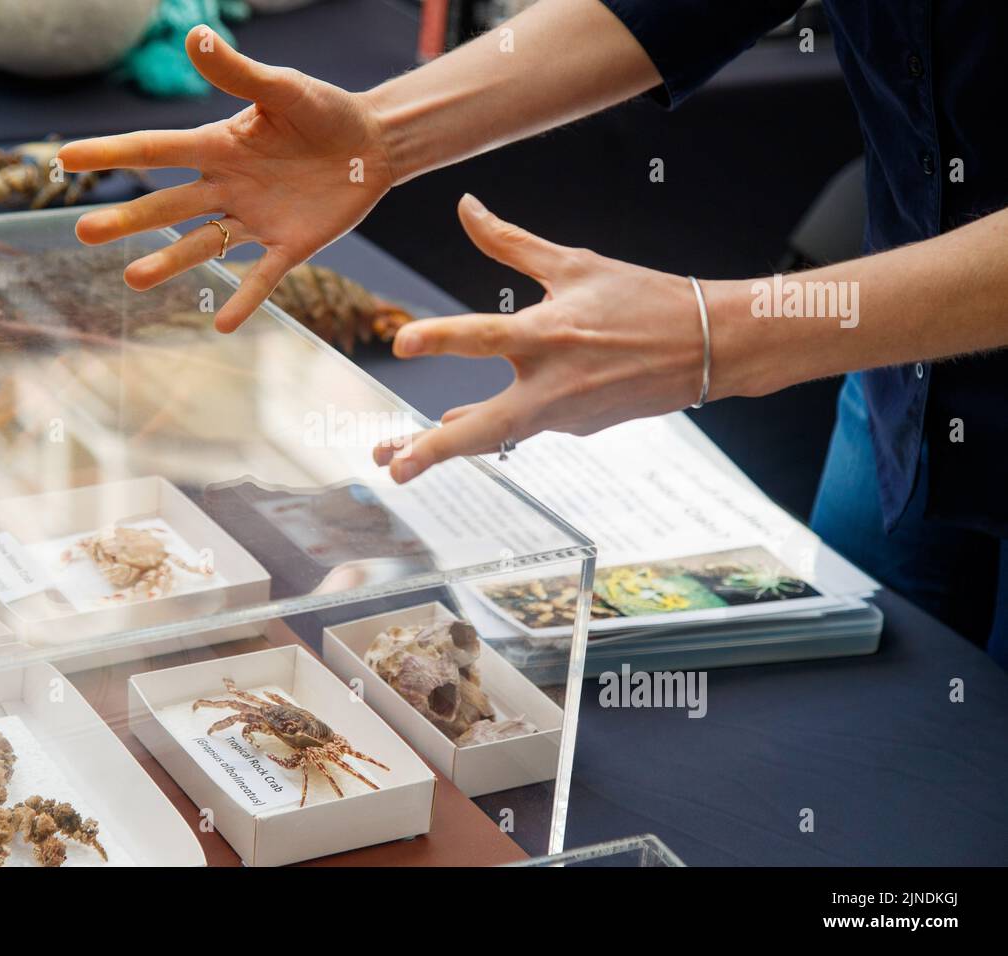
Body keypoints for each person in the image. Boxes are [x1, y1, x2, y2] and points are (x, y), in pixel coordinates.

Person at [59, 0, 1008, 665]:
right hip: (902, 399)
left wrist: (727, 333)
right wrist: (382, 134)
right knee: (881, 733)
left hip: (904, 346)